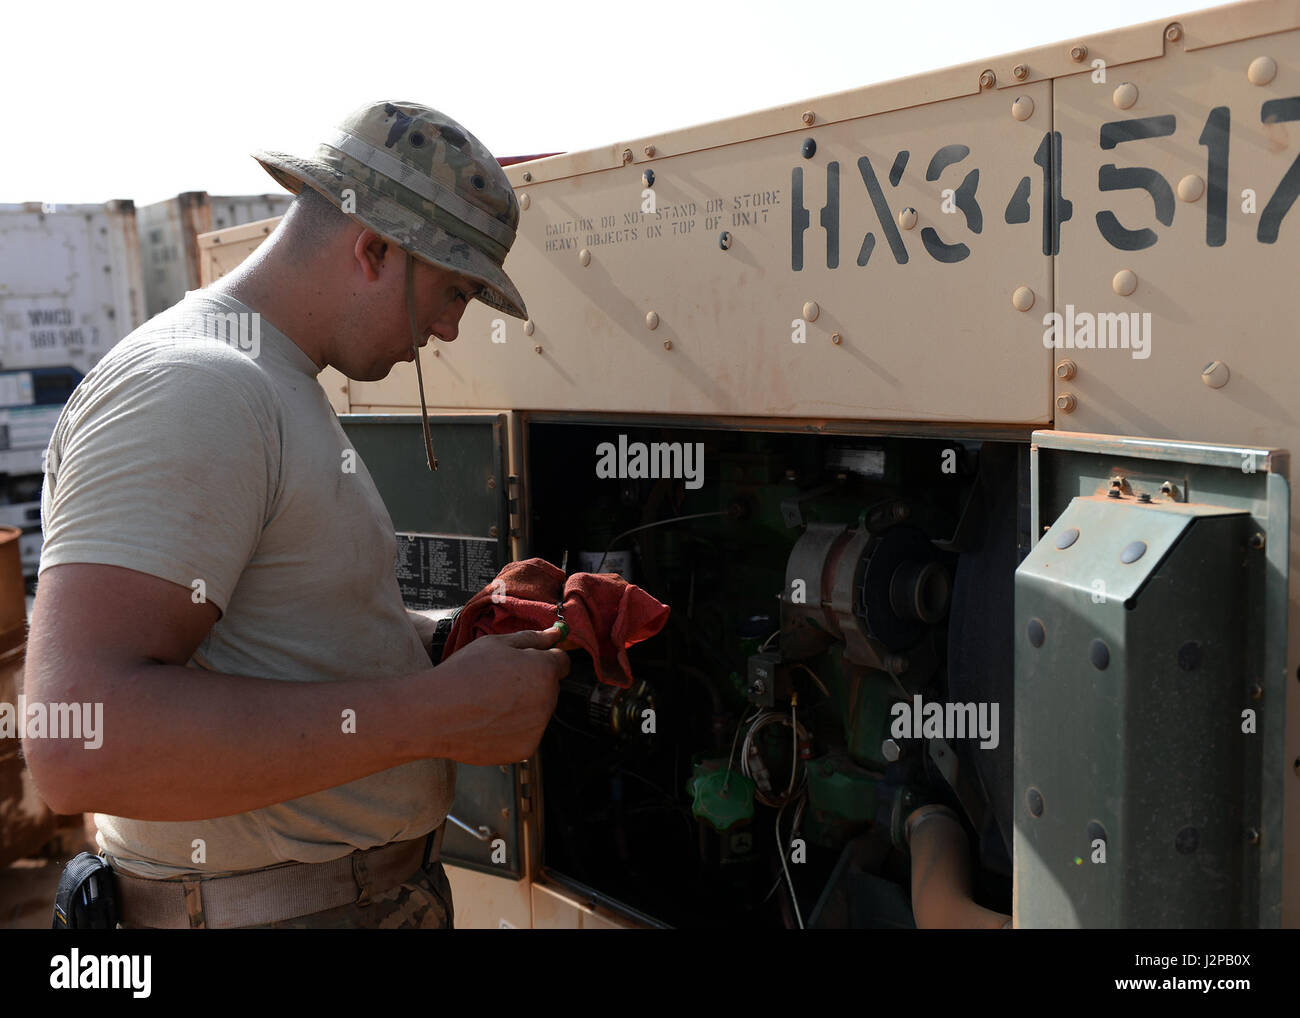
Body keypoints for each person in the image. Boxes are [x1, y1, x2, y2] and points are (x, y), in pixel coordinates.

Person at [23, 100, 571, 929]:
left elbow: (277, 636)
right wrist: (439, 711)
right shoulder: (200, 386)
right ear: (374, 247)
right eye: (454, 291)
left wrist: (446, 636)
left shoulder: (263, 380)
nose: (453, 328)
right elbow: (78, 740)